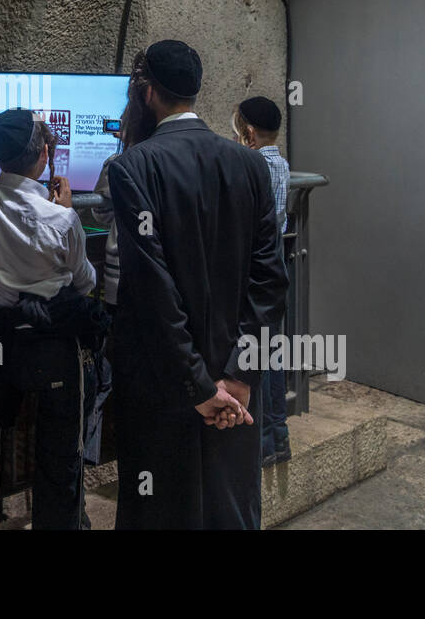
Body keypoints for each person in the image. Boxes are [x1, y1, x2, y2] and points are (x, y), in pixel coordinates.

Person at [108, 40, 288, 530]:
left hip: (163, 381)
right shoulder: (250, 166)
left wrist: (198, 384)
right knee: (230, 508)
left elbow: (152, 289)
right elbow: (270, 282)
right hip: (236, 388)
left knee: (160, 509)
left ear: (146, 95)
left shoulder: (132, 168)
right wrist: (238, 378)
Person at [0, 109, 107, 529]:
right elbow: (84, 280)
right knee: (61, 451)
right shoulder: (61, 219)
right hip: (57, 345)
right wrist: (61, 209)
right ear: (45, 154)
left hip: (4, 339)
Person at [233, 96, 292, 467]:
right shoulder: (282, 165)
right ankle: (278, 435)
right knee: (273, 351)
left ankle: (263, 442)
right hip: (276, 266)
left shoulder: (251, 165)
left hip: (252, 270)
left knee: (257, 354)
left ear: (249, 133)